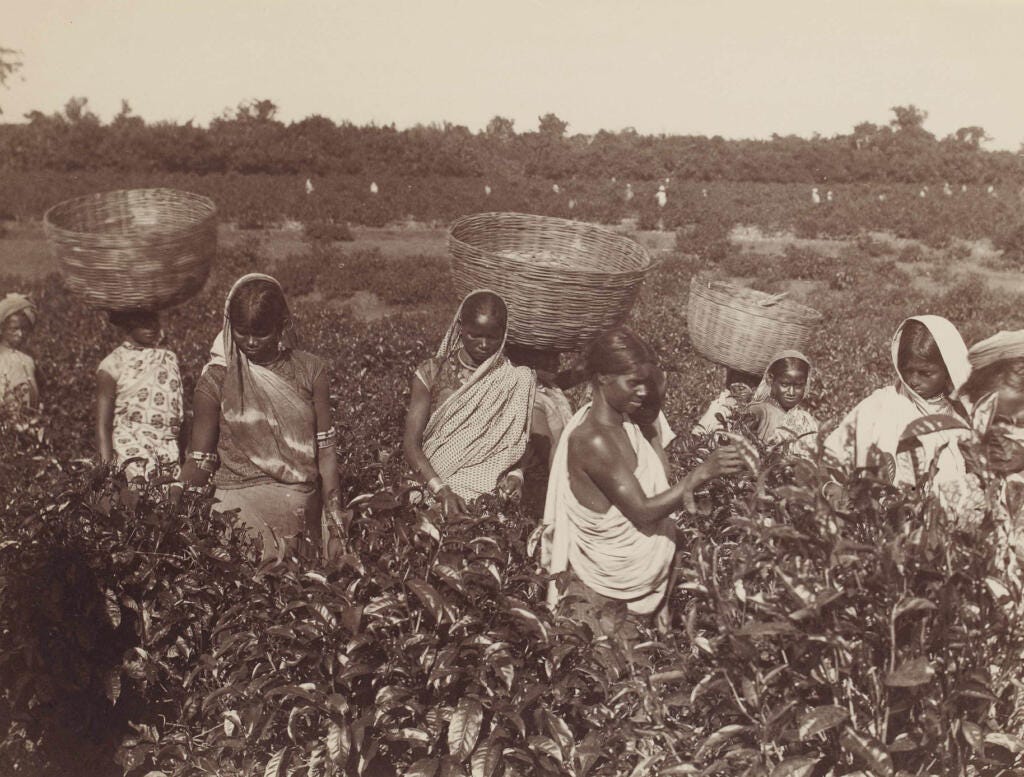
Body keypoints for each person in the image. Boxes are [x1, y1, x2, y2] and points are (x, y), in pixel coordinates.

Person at [541, 327, 747, 634]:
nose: (642, 392)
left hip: (639, 589)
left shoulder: (628, 424)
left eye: (644, 384)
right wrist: (704, 471)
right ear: (603, 379)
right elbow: (642, 510)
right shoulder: (593, 439)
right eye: (633, 383)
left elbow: (656, 395)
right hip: (603, 596)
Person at [181, 273, 343, 559]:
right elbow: (201, 461)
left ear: (282, 326)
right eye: (242, 332)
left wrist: (335, 523)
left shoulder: (310, 371)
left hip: (298, 504)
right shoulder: (215, 381)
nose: (251, 342)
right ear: (230, 326)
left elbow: (326, 453)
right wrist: (171, 499)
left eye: (262, 332)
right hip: (235, 505)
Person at [403, 290, 537, 517]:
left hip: (489, 497)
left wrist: (517, 475)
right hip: (433, 486)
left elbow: (520, 440)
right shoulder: (432, 373)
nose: (484, 344)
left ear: (504, 334)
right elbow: (410, 444)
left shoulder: (516, 378)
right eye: (475, 335)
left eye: (492, 337)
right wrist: (441, 491)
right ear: (460, 327)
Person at [823, 316, 971, 508]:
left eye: (925, 373)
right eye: (907, 370)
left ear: (949, 369)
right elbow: (830, 458)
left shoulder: (966, 414)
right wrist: (832, 488)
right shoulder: (880, 405)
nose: (913, 380)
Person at [96, 310, 183, 482]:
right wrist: (106, 472)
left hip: (168, 450)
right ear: (127, 323)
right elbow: (103, 424)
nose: (151, 326)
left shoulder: (169, 358)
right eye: (142, 321)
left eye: (154, 319)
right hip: (130, 447)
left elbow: (178, 411)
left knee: (168, 504)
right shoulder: (113, 364)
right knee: (135, 501)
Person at [745, 350, 819, 454]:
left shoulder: (805, 418)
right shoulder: (761, 411)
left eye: (798, 386)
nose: (791, 392)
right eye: (785, 384)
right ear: (770, 379)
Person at [691, 366, 761, 438]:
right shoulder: (720, 406)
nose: (740, 385)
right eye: (737, 377)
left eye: (748, 380)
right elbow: (698, 433)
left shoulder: (757, 409)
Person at [0, 293, 38, 413]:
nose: (20, 334)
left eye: (23, 329)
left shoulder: (28, 360)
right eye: (14, 329)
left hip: (28, 424)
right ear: (2, 329)